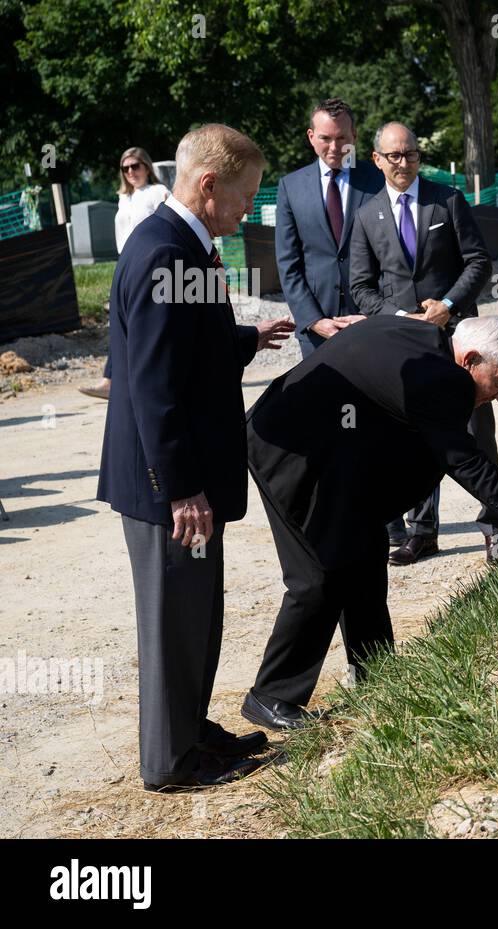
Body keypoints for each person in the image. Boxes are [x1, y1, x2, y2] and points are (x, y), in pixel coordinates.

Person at [240, 314, 498, 731]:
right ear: (470, 359)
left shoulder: (430, 340)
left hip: (335, 456)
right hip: (290, 451)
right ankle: (271, 696)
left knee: (365, 556)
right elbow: (466, 463)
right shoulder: (439, 379)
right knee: (320, 574)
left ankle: (376, 675)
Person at [96, 124, 296, 791]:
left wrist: (247, 337)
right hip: (166, 486)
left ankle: (191, 729)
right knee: (173, 619)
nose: (249, 211)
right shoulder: (163, 254)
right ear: (209, 185)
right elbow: (154, 388)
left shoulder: (185, 243)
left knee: (196, 614)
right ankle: (171, 760)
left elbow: (190, 345)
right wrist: (181, 488)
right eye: (244, 197)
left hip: (184, 479)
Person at [350, 120, 498, 567]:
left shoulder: (448, 200)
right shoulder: (366, 216)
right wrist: (403, 318)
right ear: (377, 160)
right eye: (395, 155)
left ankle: (495, 526)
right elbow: (361, 287)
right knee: (415, 436)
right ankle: (423, 532)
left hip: (460, 338)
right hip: (405, 345)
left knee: (477, 433)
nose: (404, 163)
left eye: (412, 154)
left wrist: (450, 304)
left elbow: (478, 261)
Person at [275, 98, 386, 358]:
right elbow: (288, 263)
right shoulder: (290, 187)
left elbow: (392, 255)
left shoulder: (380, 181)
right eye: (325, 138)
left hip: (373, 322)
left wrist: (375, 313)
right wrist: (313, 320)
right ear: (311, 137)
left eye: (342, 138)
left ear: (355, 136)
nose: (335, 147)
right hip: (318, 331)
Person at [79, 147, 170, 401]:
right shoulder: (123, 198)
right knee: (121, 322)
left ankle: (127, 380)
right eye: (125, 168)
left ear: (146, 167)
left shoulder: (158, 193)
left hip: (150, 264)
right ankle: (113, 380)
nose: (131, 172)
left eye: (135, 166)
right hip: (125, 265)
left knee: (148, 323)